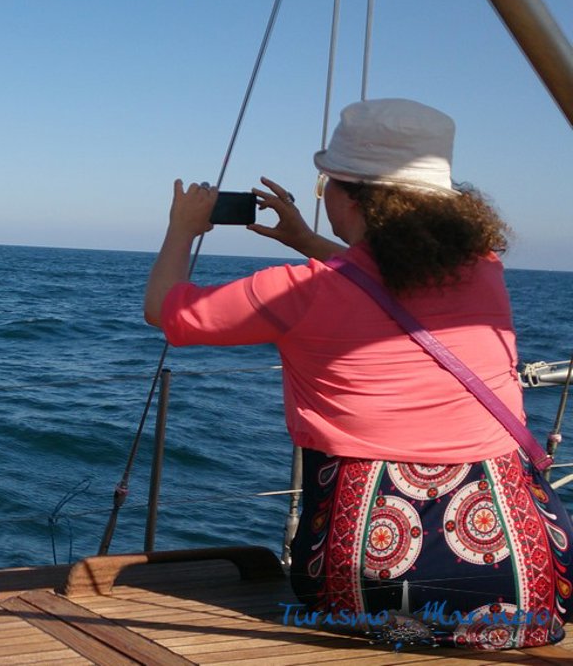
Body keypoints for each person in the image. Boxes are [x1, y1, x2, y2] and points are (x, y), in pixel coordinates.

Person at [143, 98, 573, 650]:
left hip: (362, 588)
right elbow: (381, 277)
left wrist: (183, 229)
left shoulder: (299, 291)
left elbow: (166, 312)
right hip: (524, 585)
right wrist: (307, 241)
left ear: (346, 196)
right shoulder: (485, 271)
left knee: (345, 589)